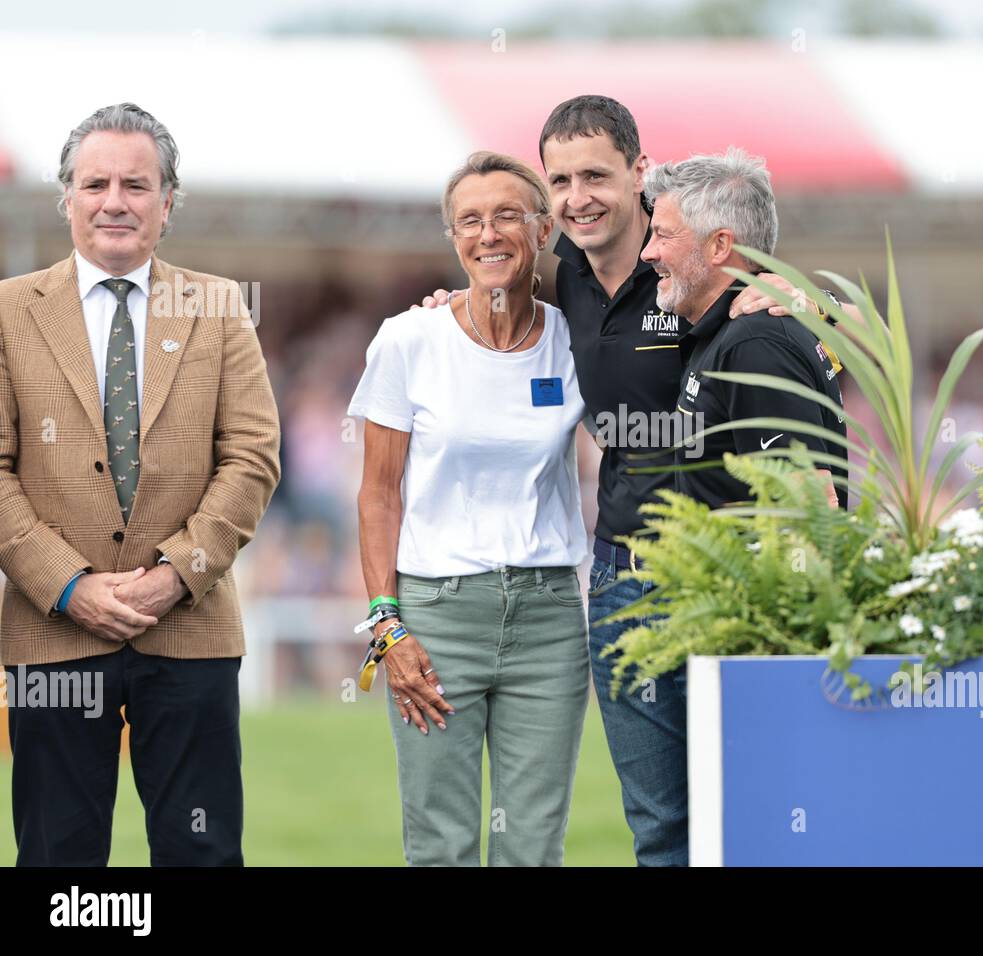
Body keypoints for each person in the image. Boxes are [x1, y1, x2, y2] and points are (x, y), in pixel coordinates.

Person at [420, 96, 830, 866]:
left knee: (751, 811)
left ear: (640, 174)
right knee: (659, 824)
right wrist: (451, 312)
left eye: (597, 175)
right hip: (618, 579)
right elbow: (500, 301)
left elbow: (796, 339)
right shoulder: (566, 267)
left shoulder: (689, 265)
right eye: (562, 179)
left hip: (722, 578)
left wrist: (812, 300)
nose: (578, 197)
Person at [0, 103, 281, 866]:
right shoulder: (7, 311)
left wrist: (171, 577)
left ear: (167, 201)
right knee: (59, 858)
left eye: (136, 183)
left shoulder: (220, 306)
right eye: (96, 183)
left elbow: (252, 456)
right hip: (52, 635)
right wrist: (68, 586)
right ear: (67, 197)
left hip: (189, 631)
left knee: (203, 852)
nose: (115, 201)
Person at [349, 151, 589, 867]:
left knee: (532, 847)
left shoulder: (575, 339)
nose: (489, 234)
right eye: (470, 221)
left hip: (548, 621)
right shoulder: (408, 340)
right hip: (437, 620)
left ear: (543, 229)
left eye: (508, 215)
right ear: (454, 239)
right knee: (442, 846)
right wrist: (388, 629)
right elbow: (377, 493)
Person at [641, 148, 847, 510]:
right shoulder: (730, 330)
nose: (648, 253)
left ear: (720, 245)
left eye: (663, 235)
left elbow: (811, 510)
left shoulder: (755, 342)